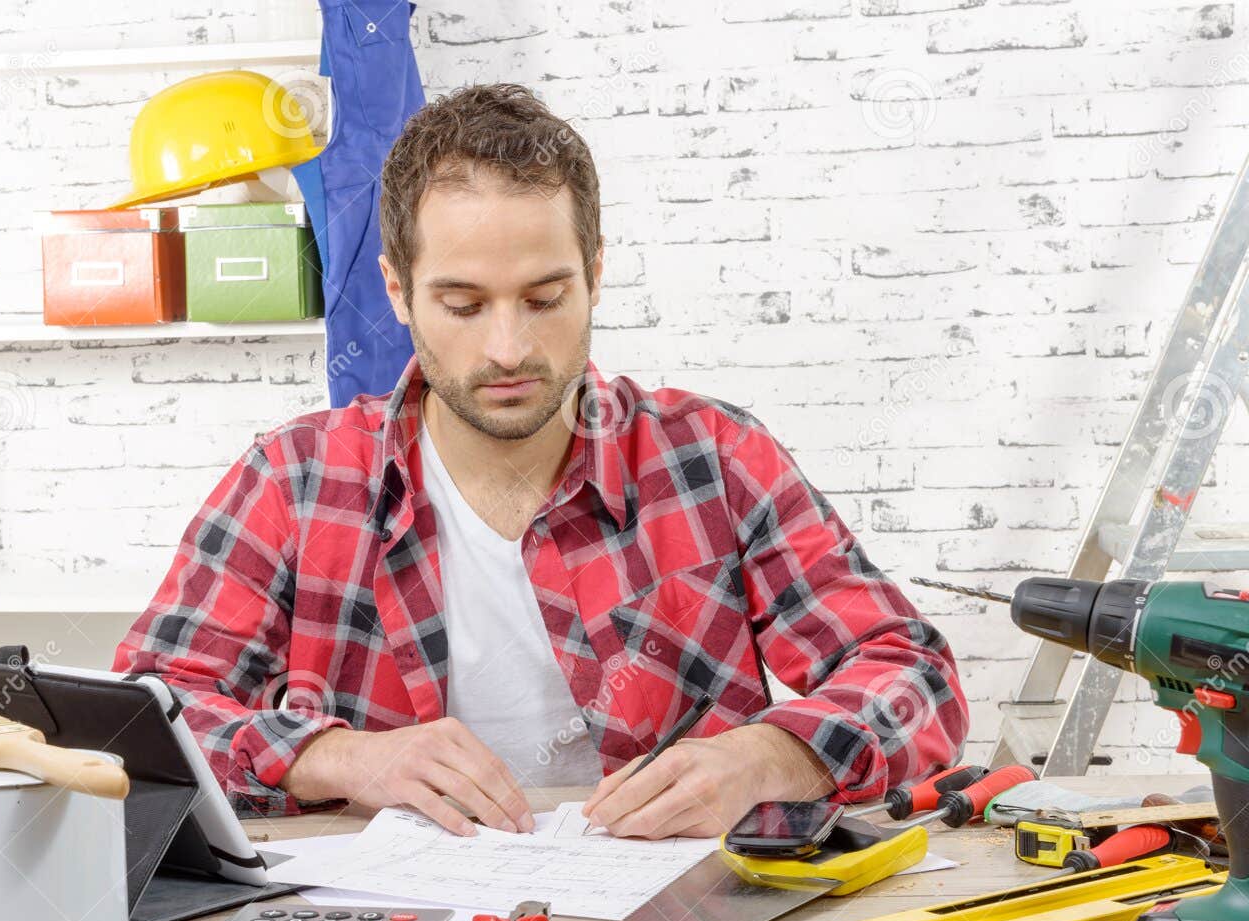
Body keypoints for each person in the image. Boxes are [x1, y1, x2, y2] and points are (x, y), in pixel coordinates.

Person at [115, 83, 969, 840]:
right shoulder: (296, 481)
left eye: (545, 297)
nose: (508, 347)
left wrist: (772, 757)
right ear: (396, 291)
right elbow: (136, 726)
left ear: (595, 274)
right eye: (462, 303)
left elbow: (913, 675)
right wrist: (334, 759)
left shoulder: (712, 457)